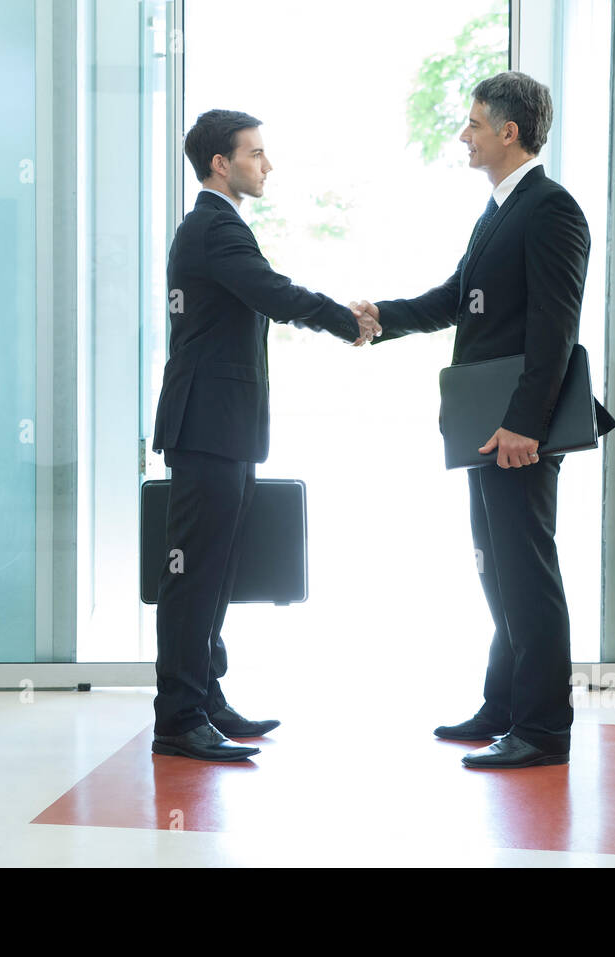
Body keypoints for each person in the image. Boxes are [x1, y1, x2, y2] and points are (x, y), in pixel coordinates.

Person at [351, 71, 588, 769]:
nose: (464, 134)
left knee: (527, 569)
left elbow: (554, 330)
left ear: (508, 132)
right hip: (489, 427)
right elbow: (460, 297)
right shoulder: (500, 209)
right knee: (498, 569)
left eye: (474, 124)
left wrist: (525, 425)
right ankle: (505, 705)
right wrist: (383, 318)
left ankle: (543, 729)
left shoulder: (551, 209)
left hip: (518, 431)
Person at [151, 109, 381, 762]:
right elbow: (274, 295)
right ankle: (178, 719)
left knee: (216, 570)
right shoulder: (214, 229)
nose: (267, 165)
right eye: (256, 154)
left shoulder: (221, 227)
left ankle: (206, 698)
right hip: (208, 428)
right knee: (194, 573)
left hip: (225, 427)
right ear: (221, 164)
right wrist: (346, 320)